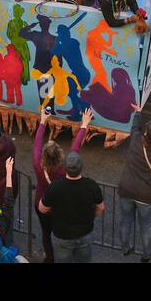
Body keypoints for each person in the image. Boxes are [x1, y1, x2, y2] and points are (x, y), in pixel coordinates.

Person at [113, 104, 151, 262]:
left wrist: (138, 112)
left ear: (145, 132)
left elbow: (134, 127)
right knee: (146, 227)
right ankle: (146, 255)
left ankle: (125, 247)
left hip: (126, 190)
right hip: (146, 196)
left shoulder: (135, 140)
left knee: (125, 221)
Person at [32, 107, 90, 263]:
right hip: (60, 207)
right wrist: (84, 125)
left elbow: (37, 144)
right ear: (61, 156)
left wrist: (43, 121)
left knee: (46, 233)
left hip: (42, 204)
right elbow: (75, 148)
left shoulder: (38, 166)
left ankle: (49, 257)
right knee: (61, 234)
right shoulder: (66, 169)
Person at [38, 150, 104, 263]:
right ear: (81, 167)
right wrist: (90, 217)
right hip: (84, 233)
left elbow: (42, 209)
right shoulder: (91, 185)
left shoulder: (55, 187)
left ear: (65, 168)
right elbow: (100, 208)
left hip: (62, 235)